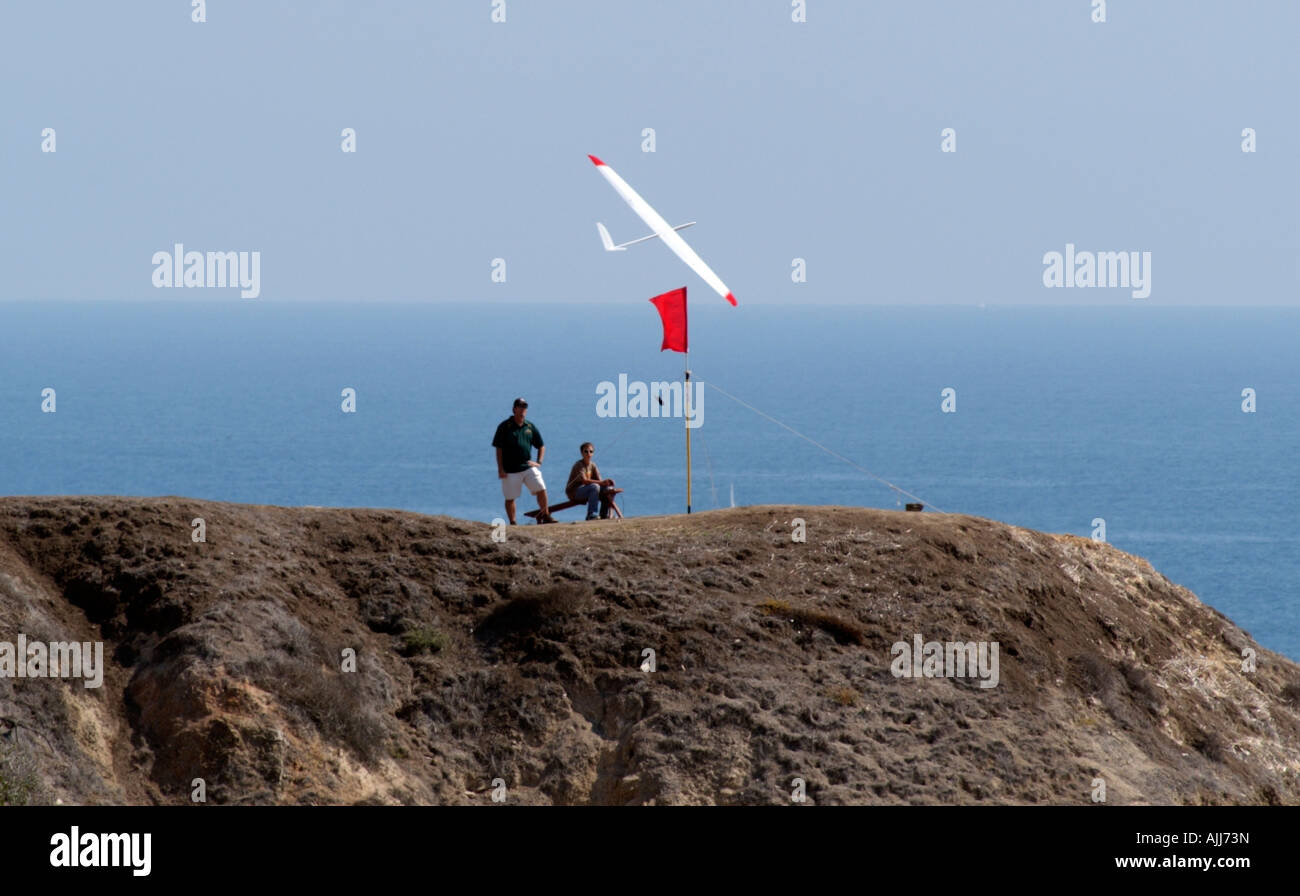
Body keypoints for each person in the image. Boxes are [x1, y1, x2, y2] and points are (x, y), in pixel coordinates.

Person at [492, 398, 554, 524]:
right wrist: (500, 469)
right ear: (514, 409)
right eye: (520, 406)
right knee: (510, 498)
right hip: (510, 470)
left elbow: (541, 445)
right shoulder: (505, 426)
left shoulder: (530, 426)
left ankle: (545, 515)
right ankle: (513, 522)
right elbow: (499, 448)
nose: (523, 409)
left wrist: (539, 462)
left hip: (527, 467)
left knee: (541, 488)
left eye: (525, 407)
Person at [566, 443, 616, 520]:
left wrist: (607, 483)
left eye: (591, 451)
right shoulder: (579, 465)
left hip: (587, 489)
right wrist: (601, 483)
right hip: (574, 492)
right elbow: (585, 481)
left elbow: (600, 481)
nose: (588, 453)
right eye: (586, 451)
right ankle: (591, 514)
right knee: (595, 487)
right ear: (582, 453)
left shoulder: (593, 465)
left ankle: (604, 514)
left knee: (607, 489)